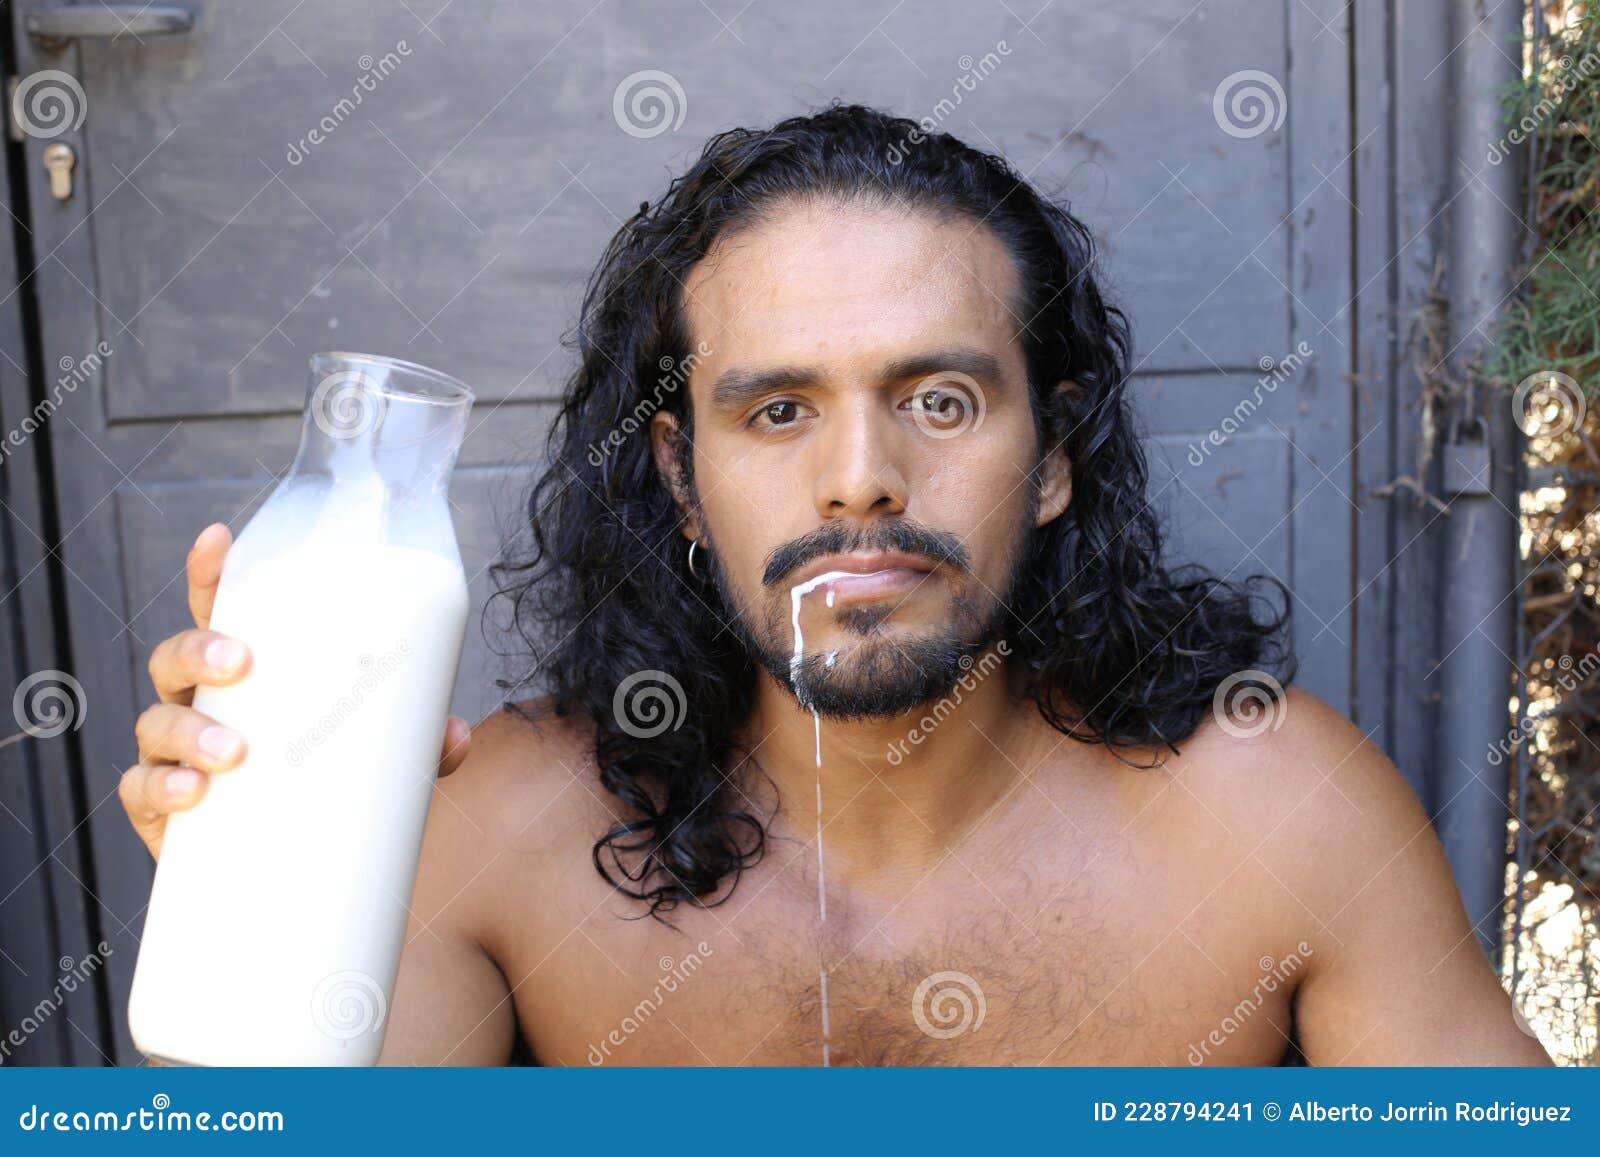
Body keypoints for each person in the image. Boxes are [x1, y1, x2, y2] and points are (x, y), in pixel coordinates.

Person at [119, 104, 1550, 1066]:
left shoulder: (1270, 812)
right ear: (681, 476)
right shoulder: (503, 826)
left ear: (1052, 457)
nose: (861, 478)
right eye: (779, 410)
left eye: (937, 399)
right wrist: (260, 891)